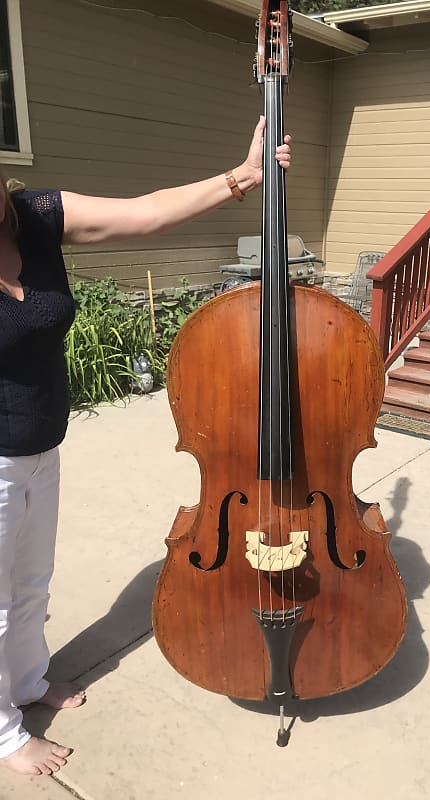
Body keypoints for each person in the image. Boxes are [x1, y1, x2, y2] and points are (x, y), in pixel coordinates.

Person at [0, 117, 291, 777]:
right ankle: (5, 735)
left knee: (30, 582)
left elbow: (145, 214)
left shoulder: (36, 217)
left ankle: (23, 682)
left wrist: (241, 178)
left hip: (40, 446)